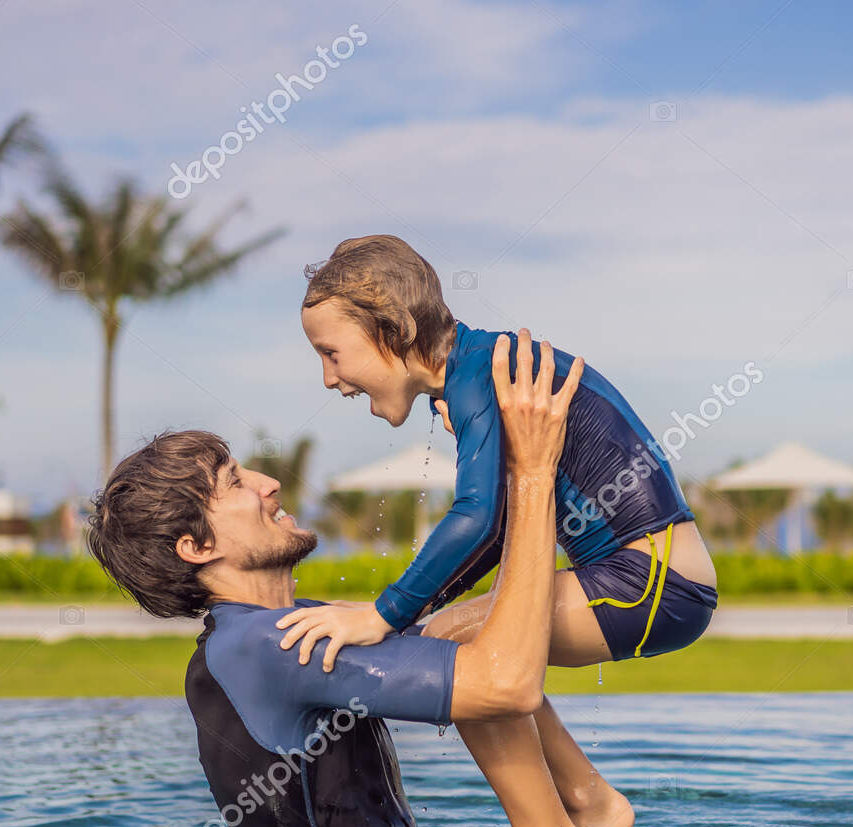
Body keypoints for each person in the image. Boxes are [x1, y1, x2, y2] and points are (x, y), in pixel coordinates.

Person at [85, 332, 628, 827]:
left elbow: (476, 649)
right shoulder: (266, 646)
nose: (270, 484)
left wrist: (496, 459)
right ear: (195, 547)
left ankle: (575, 815)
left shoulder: (292, 627)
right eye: (236, 483)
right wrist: (533, 474)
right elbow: (508, 683)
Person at [281, 234, 719, 674]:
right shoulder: (477, 368)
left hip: (652, 584)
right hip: (660, 580)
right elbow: (495, 535)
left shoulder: (482, 375)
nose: (327, 378)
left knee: (453, 641)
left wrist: (382, 615)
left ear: (393, 330)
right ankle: (556, 750)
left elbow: (477, 517)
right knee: (481, 640)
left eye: (330, 354)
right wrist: (397, 612)